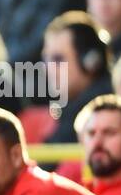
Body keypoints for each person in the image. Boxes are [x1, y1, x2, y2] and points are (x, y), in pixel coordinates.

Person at [41, 10, 114, 143]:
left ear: (91, 62)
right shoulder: (69, 106)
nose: (48, 67)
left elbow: (49, 162)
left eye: (58, 59)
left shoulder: (98, 110)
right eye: (46, 59)